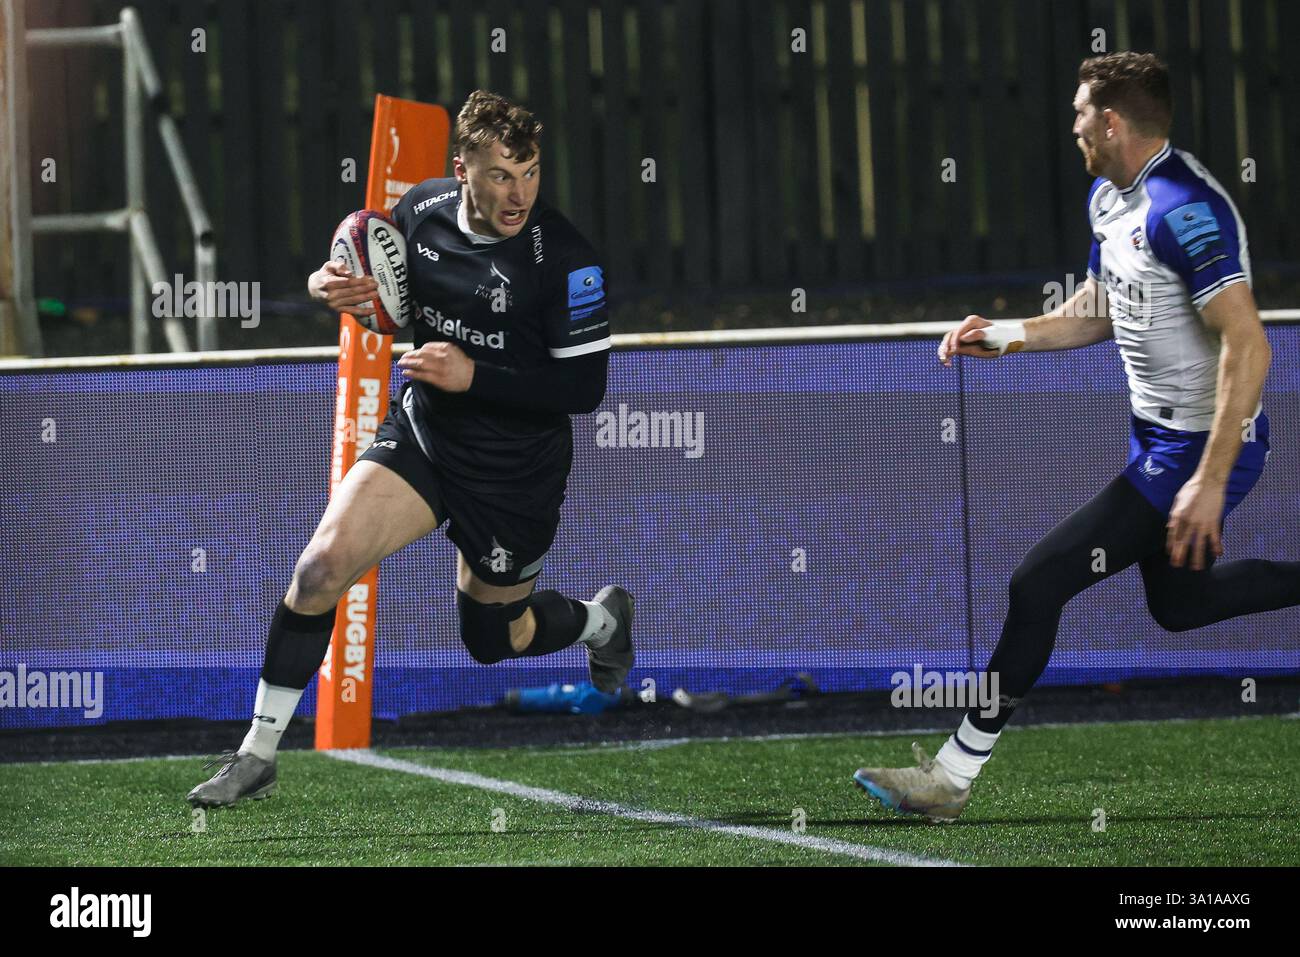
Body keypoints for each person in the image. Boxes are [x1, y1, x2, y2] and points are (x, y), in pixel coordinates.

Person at [853, 52, 1300, 823]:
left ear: (1114, 121)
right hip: (1158, 446)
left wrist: (1211, 479)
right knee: (1180, 605)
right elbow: (1101, 304)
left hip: (1196, 452)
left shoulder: (1182, 207)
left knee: (1038, 581)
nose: (1072, 127)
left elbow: (1251, 346)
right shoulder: (1109, 199)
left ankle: (951, 780)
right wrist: (1006, 333)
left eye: (1080, 113)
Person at [188, 90, 633, 808]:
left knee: (494, 638)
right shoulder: (423, 211)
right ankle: (257, 753)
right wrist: (324, 283)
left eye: (530, 172)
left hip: (515, 471)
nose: (517, 192)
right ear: (463, 171)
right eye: (499, 175)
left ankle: (603, 620)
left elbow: (584, 386)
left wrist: (472, 373)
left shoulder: (568, 260)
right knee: (319, 567)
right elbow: (369, 270)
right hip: (427, 436)